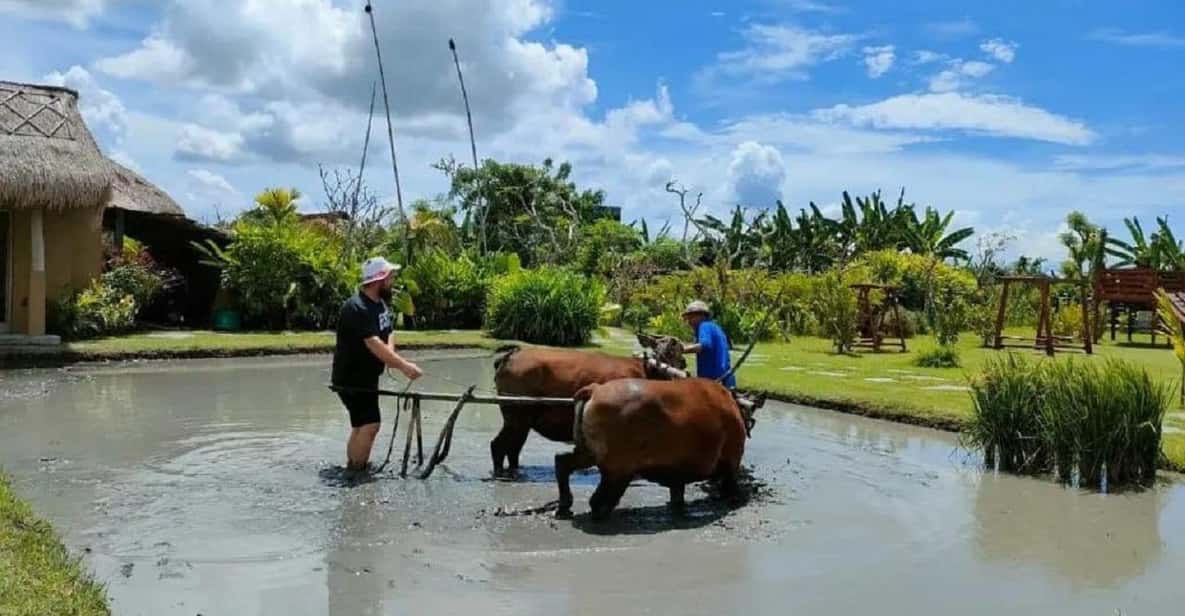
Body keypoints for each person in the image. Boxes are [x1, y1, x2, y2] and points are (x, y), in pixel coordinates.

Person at [332, 256, 423, 472]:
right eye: (390, 277)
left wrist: (389, 356)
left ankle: (354, 467)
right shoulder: (357, 308)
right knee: (369, 425)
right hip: (352, 378)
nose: (393, 281)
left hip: (367, 378)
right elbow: (373, 343)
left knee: (361, 425)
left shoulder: (379, 304)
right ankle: (357, 473)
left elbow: (388, 331)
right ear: (379, 280)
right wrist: (404, 366)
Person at [680, 300, 736, 389]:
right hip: (725, 379)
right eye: (688, 318)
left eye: (691, 317)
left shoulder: (704, 326)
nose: (689, 322)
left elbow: (705, 345)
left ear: (701, 316)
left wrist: (681, 350)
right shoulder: (714, 327)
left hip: (715, 381)